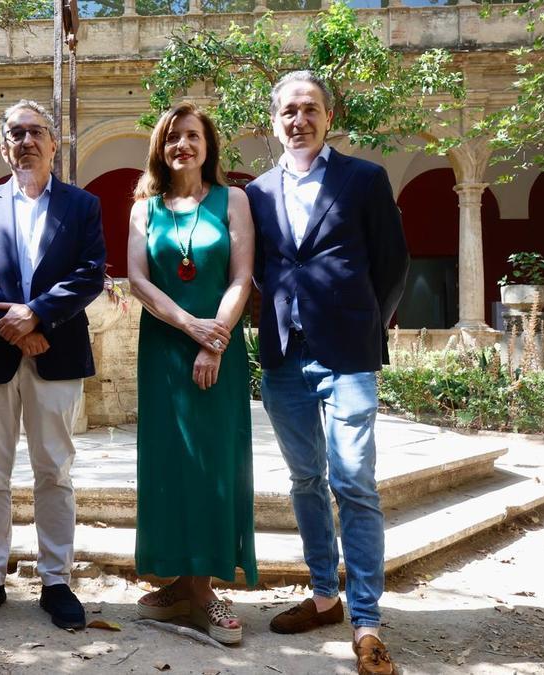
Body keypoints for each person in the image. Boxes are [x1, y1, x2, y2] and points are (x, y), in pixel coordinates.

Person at [246, 71, 408, 675]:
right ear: (274, 120)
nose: (299, 120)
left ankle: (367, 621)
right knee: (305, 479)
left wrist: (370, 323)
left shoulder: (364, 179)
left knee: (354, 482)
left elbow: (393, 263)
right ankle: (323, 596)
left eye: (310, 109)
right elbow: (261, 268)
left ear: (328, 116)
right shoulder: (256, 193)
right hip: (285, 353)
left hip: (348, 355)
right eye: (288, 110)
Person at [0, 100, 107, 630]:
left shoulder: (82, 206)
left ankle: (56, 579)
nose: (26, 141)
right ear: (3, 145)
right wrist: (15, 328)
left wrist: (36, 317)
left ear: (53, 144)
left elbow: (89, 275)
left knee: (54, 471)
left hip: (56, 353)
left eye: (36, 132)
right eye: (15, 133)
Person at [127, 102, 258, 645]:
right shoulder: (145, 207)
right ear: (161, 146)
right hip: (164, 348)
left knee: (213, 463)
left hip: (219, 354)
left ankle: (203, 591)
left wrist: (216, 338)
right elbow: (137, 278)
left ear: (209, 146)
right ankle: (182, 583)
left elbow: (242, 275)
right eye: (173, 137)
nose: (183, 144)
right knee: (169, 465)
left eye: (193, 136)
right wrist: (189, 327)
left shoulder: (235, 200)